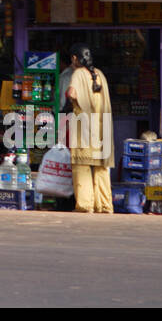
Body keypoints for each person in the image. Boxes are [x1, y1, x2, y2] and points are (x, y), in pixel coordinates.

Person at [64, 43, 113, 213]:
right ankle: (105, 206)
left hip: (84, 127)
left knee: (81, 166)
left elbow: (71, 93)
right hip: (102, 127)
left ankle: (85, 205)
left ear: (75, 58)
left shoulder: (78, 73)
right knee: (101, 167)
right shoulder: (100, 74)